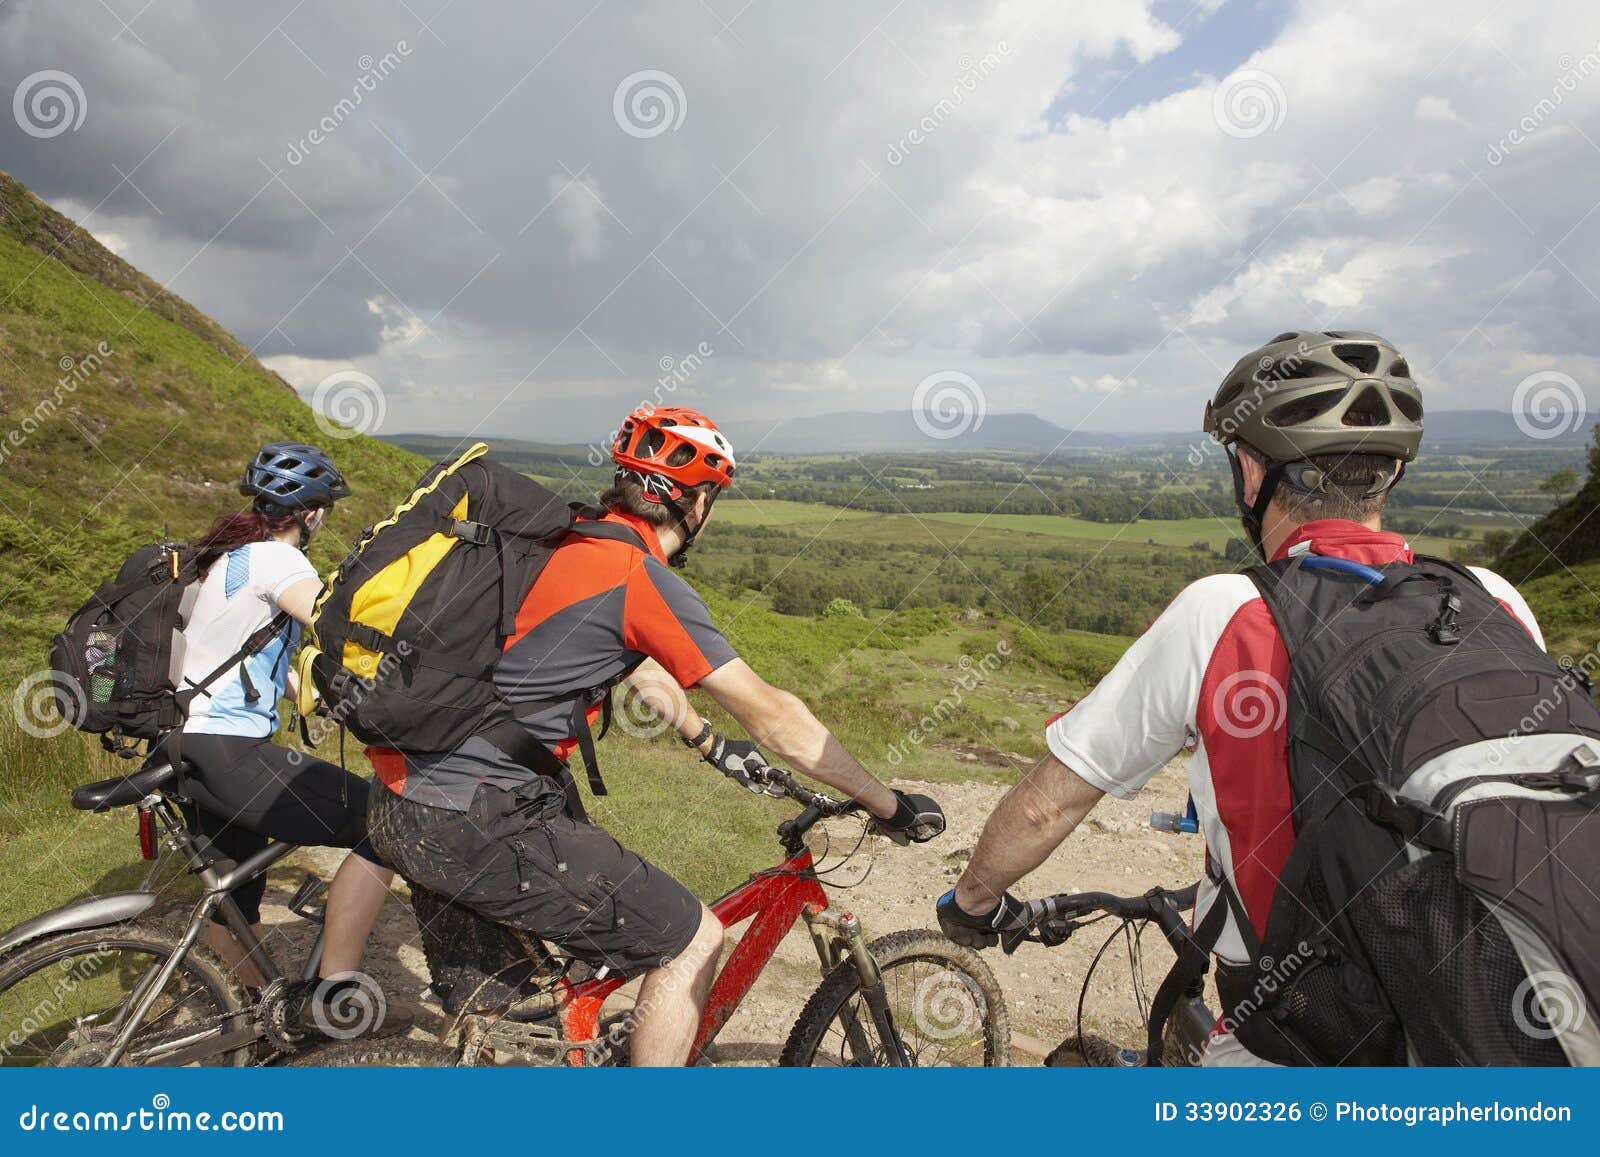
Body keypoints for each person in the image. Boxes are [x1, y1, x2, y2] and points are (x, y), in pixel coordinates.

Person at [936, 331, 1596, 1064]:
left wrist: (972, 901)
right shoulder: (1493, 598)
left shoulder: (1223, 610)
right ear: (1397, 468)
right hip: (1517, 1021)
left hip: (1306, 1042)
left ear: (1252, 472)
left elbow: (1043, 805)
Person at [366, 405, 945, 1065]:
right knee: (692, 938)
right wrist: (885, 800)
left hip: (403, 796)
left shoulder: (571, 538)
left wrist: (706, 740)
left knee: (502, 1016)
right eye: (713, 497)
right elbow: (774, 714)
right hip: (477, 814)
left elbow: (633, 659)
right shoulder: (640, 577)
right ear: (693, 502)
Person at [173, 442, 393, 1029]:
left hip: (185, 747)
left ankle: (254, 1014)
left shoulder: (228, 560)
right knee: (384, 824)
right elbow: (336, 626)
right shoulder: (281, 562)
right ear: (312, 513)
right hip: (231, 751)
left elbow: (258, 655)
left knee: (234, 899)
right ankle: (333, 999)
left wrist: (309, 690)